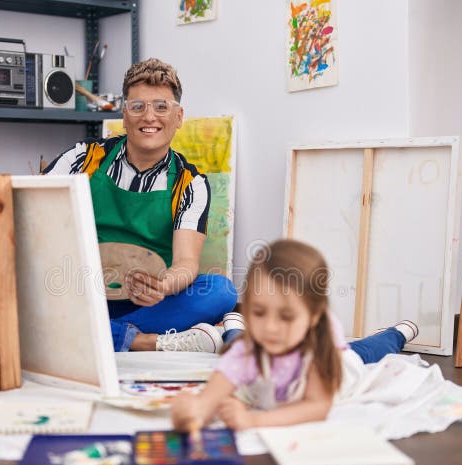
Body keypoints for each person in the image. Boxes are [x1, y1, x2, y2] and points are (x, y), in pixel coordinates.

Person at [45, 58, 237, 353]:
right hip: (82, 292)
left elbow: (186, 263)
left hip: (149, 303)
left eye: (161, 107)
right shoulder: (82, 159)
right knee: (28, 284)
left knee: (220, 292)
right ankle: (145, 340)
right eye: (138, 107)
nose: (149, 117)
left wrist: (163, 285)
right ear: (124, 115)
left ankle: (96, 333)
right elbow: (34, 214)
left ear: (178, 116)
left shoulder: (190, 183)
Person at [170, 239, 419, 431]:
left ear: (313, 317)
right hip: (269, 347)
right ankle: (236, 328)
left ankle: (394, 334)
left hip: (341, 364)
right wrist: (194, 411)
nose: (270, 327)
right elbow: (208, 399)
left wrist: (253, 420)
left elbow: (316, 407)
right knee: (238, 343)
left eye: (286, 317)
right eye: (258, 312)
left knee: (366, 351)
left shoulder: (317, 353)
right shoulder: (249, 349)